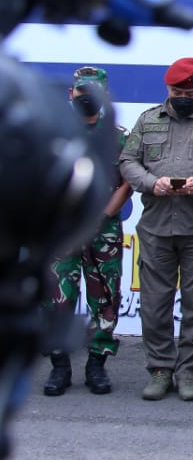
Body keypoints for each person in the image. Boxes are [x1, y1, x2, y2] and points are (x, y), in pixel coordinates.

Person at [120, 57, 193, 401]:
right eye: (176, 92)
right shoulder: (147, 120)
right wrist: (150, 183)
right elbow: (127, 161)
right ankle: (159, 369)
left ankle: (188, 374)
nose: (183, 97)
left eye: (190, 93)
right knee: (155, 304)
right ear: (167, 89)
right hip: (155, 227)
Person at [43, 66, 131, 397]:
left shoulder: (119, 137)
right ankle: (59, 366)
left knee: (105, 298)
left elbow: (127, 184)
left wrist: (102, 214)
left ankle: (97, 364)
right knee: (58, 297)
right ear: (71, 94)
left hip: (103, 231)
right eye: (81, 93)